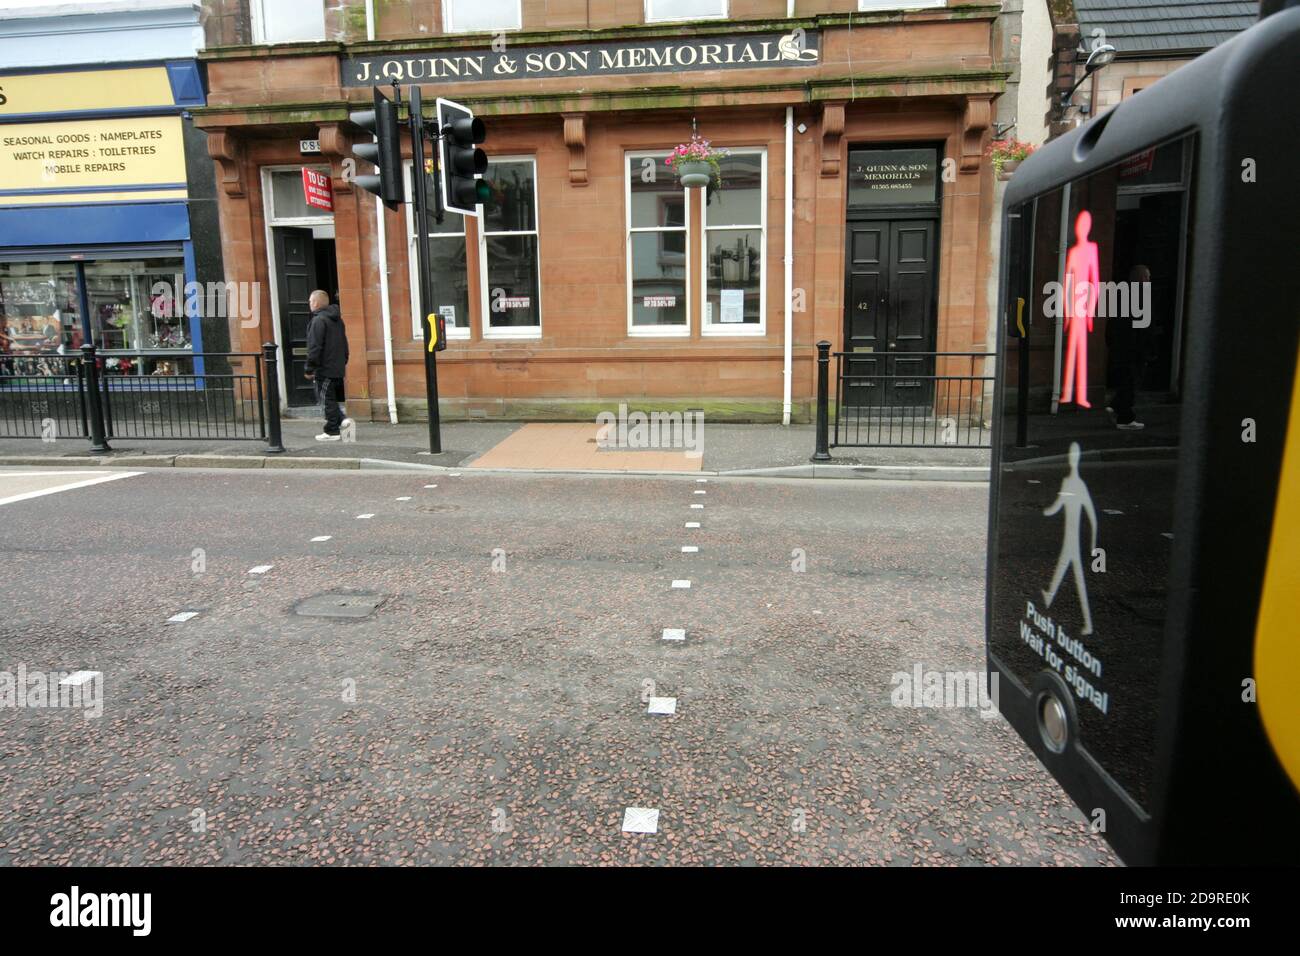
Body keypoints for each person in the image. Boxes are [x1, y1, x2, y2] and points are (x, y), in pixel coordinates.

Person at [303, 290, 352, 441]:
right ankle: (341, 418)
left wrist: (310, 368)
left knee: (325, 399)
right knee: (330, 397)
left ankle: (332, 431)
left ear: (316, 303)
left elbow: (315, 347)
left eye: (310, 301)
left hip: (324, 367)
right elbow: (344, 343)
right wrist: (343, 361)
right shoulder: (337, 320)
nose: (309, 304)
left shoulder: (318, 321)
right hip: (337, 366)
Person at [1106, 264, 1150, 430]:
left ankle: (1117, 405)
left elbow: (1112, 324)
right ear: (1143, 279)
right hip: (1133, 349)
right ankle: (1125, 418)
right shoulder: (1142, 297)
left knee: (1125, 380)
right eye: (1147, 277)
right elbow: (1145, 327)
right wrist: (1148, 349)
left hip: (1120, 348)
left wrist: (1111, 343)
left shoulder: (1121, 295)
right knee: (1131, 383)